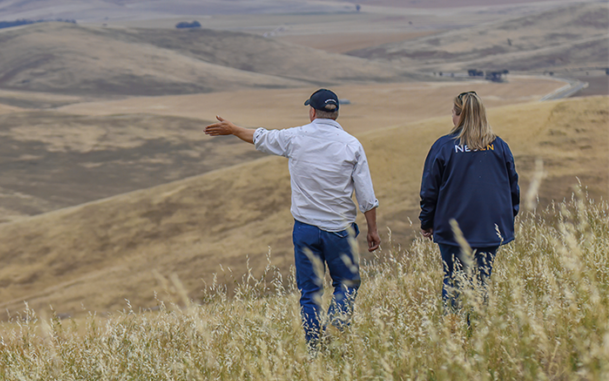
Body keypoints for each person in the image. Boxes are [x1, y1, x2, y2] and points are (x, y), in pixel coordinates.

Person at [204, 89, 380, 347]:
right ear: (336, 113)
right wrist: (372, 230)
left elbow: (259, 137)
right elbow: (366, 196)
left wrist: (232, 128)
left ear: (311, 112)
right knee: (347, 283)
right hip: (339, 230)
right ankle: (335, 332)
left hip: (306, 229)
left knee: (311, 292)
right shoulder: (352, 145)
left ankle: (314, 347)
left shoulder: (294, 137)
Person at [419, 91, 520, 311]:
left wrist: (427, 222)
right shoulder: (499, 147)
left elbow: (429, 190)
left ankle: (453, 335)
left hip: (452, 230)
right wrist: (506, 218)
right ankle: (477, 334)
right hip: (489, 229)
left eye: (454, 114)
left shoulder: (444, 146)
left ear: (458, 116)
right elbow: (513, 188)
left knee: (453, 281)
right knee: (481, 283)